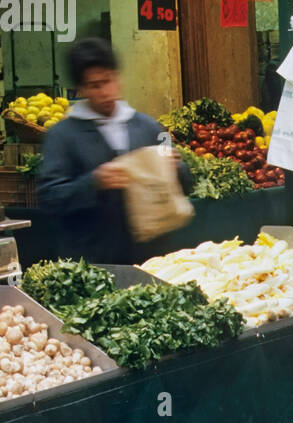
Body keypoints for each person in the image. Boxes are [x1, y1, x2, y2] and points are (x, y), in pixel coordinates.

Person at [38, 38, 193, 265]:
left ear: (118, 78)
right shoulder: (62, 136)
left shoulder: (148, 126)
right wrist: (94, 182)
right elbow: (50, 198)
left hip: (151, 260)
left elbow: (186, 183)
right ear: (82, 89)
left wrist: (176, 168)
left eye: (109, 81)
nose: (105, 92)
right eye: (95, 85)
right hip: (93, 264)